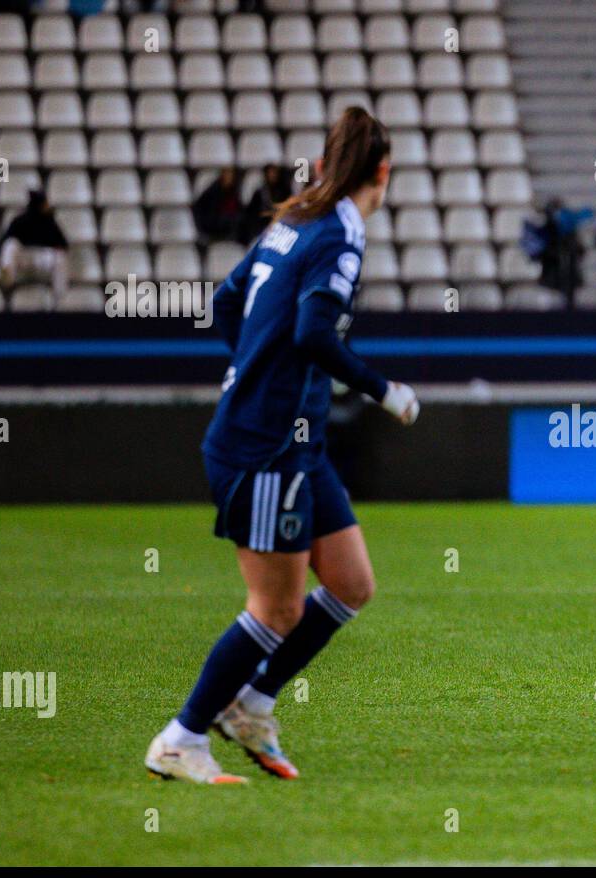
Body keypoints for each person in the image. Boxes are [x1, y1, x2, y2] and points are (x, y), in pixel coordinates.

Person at [145, 108, 421, 784]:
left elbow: (226, 299)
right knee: (277, 608)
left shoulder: (292, 219)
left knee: (352, 584)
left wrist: (250, 365)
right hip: (265, 441)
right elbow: (312, 335)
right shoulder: (340, 235)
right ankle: (181, 738)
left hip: (294, 438)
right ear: (382, 172)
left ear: (326, 165)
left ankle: (253, 705)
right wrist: (383, 390)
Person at [0, 190, 68, 300]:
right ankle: (7, 281)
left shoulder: (50, 222)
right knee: (10, 246)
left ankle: (60, 296)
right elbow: (5, 241)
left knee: (60, 257)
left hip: (42, 257)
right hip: (24, 257)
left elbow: (63, 244)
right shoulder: (20, 221)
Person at [238, 163, 295, 245]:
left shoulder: (284, 191)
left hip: (281, 225)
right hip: (262, 226)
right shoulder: (259, 192)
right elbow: (252, 213)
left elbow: (289, 209)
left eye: (274, 173)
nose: (272, 175)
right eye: (270, 173)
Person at [191, 166, 244, 243]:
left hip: (230, 233)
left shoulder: (236, 193)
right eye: (226, 173)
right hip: (211, 231)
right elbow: (201, 212)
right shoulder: (211, 192)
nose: (228, 176)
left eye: (230, 173)